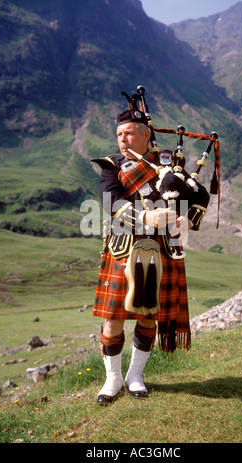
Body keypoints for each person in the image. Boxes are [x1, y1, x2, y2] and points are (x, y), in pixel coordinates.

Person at [91, 93, 209, 405]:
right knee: (114, 317)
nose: (122, 139)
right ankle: (113, 379)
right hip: (124, 248)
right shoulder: (111, 166)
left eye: (128, 132)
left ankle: (135, 376)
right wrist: (145, 216)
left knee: (149, 315)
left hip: (163, 247)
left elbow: (197, 193)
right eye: (118, 134)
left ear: (146, 135)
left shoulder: (169, 164)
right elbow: (110, 201)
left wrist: (187, 218)